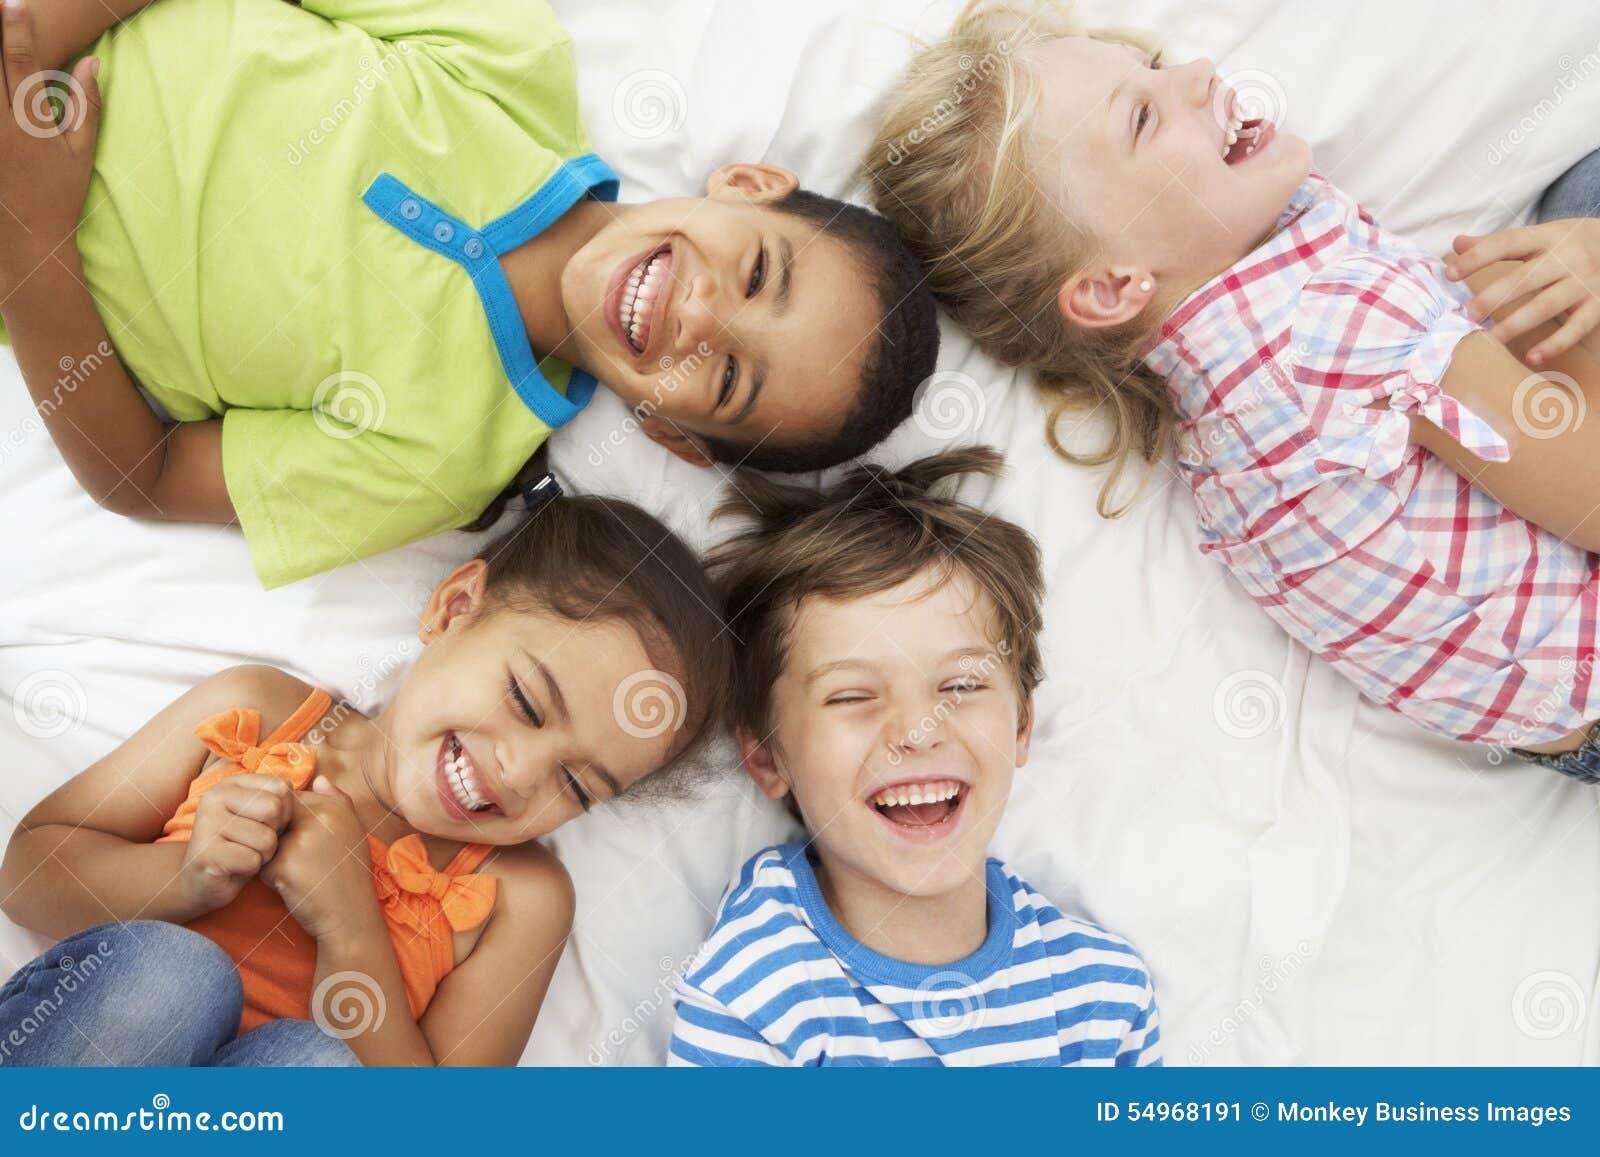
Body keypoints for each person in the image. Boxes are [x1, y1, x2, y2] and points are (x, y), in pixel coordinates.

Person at [864, 0, 1600, 777]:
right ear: (1116, 285)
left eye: (1152, 68)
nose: (1196, 73)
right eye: (1142, 118)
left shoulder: (1217, 410)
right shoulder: (1336, 319)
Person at [0, 0, 939, 587]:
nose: (700, 315)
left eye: (730, 376)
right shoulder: (506, 55)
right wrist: (29, 42)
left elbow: (146, 476)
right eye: (759, 272)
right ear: (746, 185)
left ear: (671, 435)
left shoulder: (437, 465)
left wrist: (32, 242)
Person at [0, 490, 731, 1065]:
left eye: (578, 786)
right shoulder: (261, 713)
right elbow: (27, 875)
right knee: (175, 977)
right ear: (454, 608)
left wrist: (351, 925)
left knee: (318, 1065)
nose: (520, 771)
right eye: (526, 703)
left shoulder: (521, 899)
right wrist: (183, 876)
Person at [668, 448, 1161, 1066]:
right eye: (851, 695)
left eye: (961, 685)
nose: (918, 731)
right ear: (767, 758)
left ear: (1022, 726)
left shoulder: (1103, 998)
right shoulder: (756, 997)